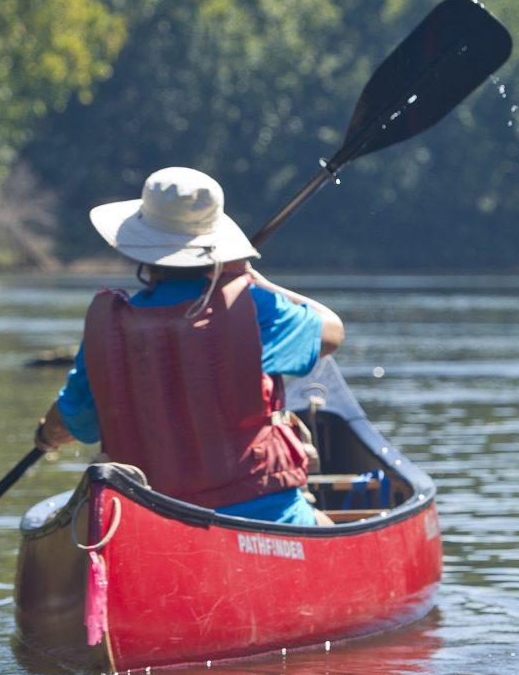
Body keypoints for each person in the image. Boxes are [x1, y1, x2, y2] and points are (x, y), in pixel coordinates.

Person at [32, 167, 343, 527]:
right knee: (326, 527)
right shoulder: (255, 306)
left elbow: (71, 423)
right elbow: (332, 331)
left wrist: (45, 435)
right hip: (268, 519)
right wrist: (259, 282)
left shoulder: (110, 327)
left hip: (154, 520)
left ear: (142, 253)